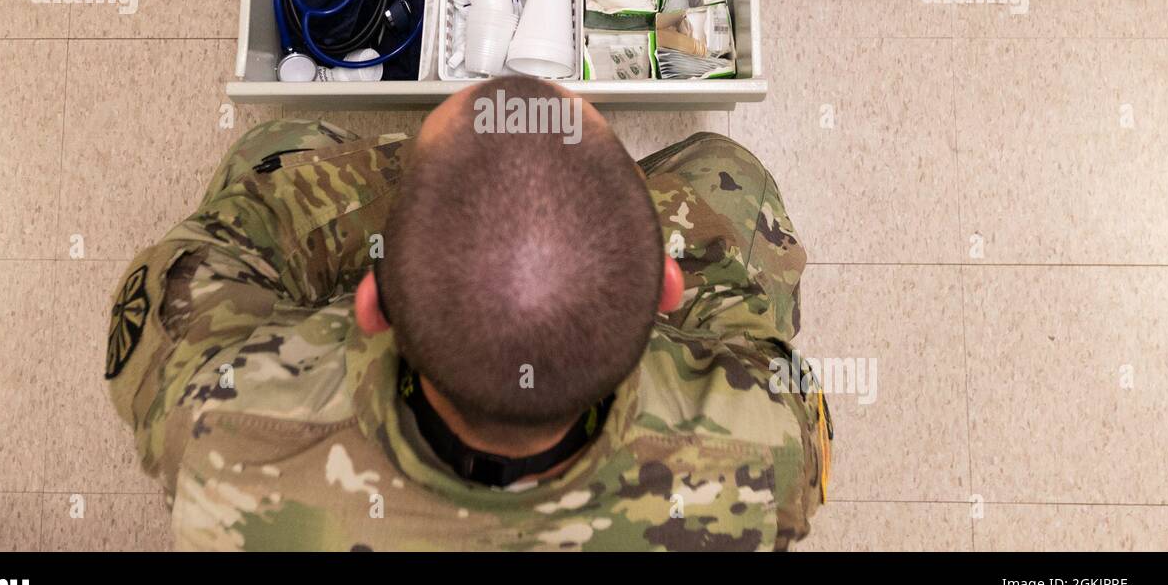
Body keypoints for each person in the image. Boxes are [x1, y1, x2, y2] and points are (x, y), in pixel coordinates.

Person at [106, 76, 830, 550]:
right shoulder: (765, 454)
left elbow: (195, 271)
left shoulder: (213, 427)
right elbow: (761, 354)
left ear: (371, 302)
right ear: (666, 287)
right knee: (725, 175)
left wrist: (404, 177)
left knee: (277, 148)